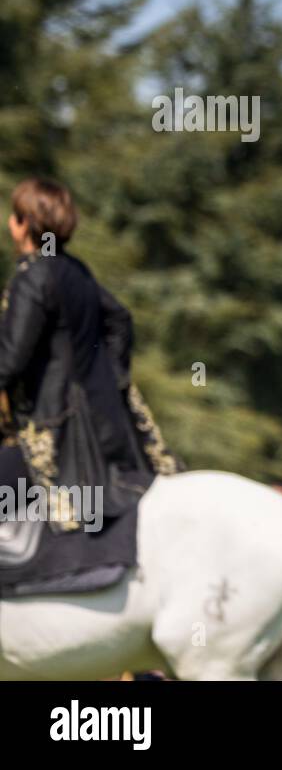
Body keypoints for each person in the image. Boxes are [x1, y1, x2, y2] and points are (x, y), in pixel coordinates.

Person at [0, 178, 176, 536]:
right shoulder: (75, 269)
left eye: (13, 216)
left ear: (23, 224)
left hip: (55, 426)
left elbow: (10, 359)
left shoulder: (32, 274)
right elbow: (120, 319)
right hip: (98, 418)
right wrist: (110, 378)